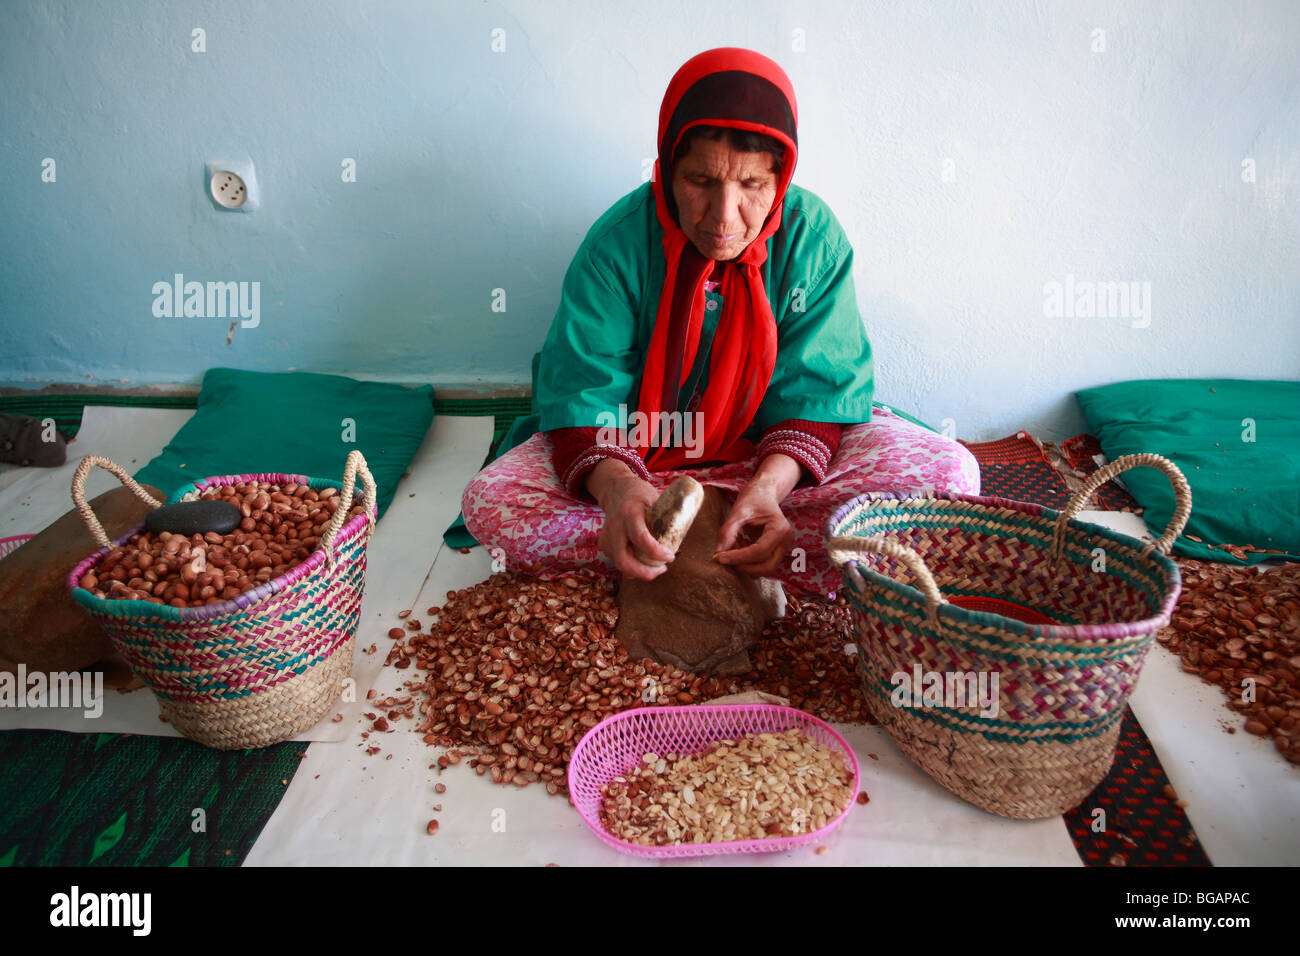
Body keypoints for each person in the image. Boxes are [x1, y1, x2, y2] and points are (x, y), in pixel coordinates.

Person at [462, 47, 979, 597]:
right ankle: (685, 540)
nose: (723, 216)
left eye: (753, 184)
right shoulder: (617, 245)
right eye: (700, 180)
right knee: (492, 505)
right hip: (640, 460)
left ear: (781, 177)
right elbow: (584, 398)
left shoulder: (812, 238)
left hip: (771, 465)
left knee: (949, 477)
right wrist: (619, 493)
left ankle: (702, 542)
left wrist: (767, 492)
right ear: (666, 167)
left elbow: (817, 395)